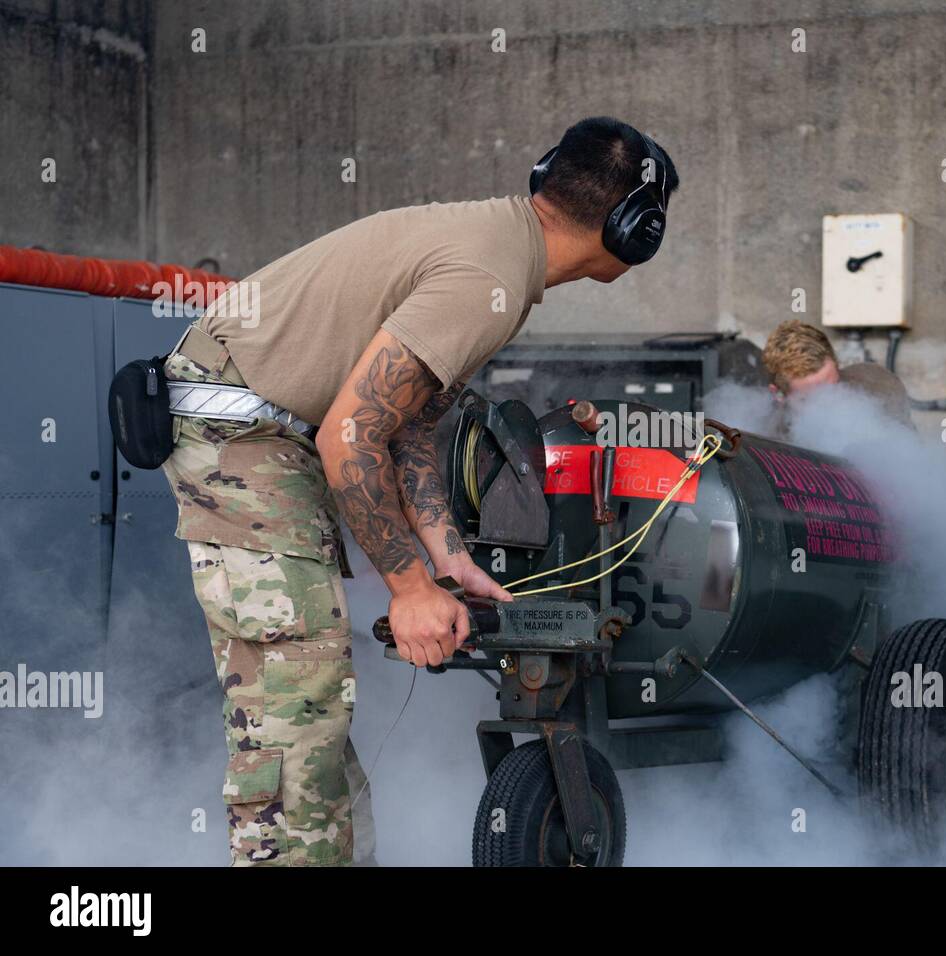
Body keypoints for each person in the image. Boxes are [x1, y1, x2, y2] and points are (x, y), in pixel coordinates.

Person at [160, 116, 679, 866]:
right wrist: (407, 590)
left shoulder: (504, 257)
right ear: (635, 228)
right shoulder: (490, 277)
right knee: (294, 715)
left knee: (317, 722)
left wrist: (447, 558)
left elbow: (403, 427)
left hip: (267, 437)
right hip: (244, 443)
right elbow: (350, 436)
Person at [761, 320, 914, 429]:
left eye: (833, 387)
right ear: (778, 395)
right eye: (809, 399)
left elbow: (911, 458)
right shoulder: (771, 440)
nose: (827, 403)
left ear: (836, 365)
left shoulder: (879, 386)